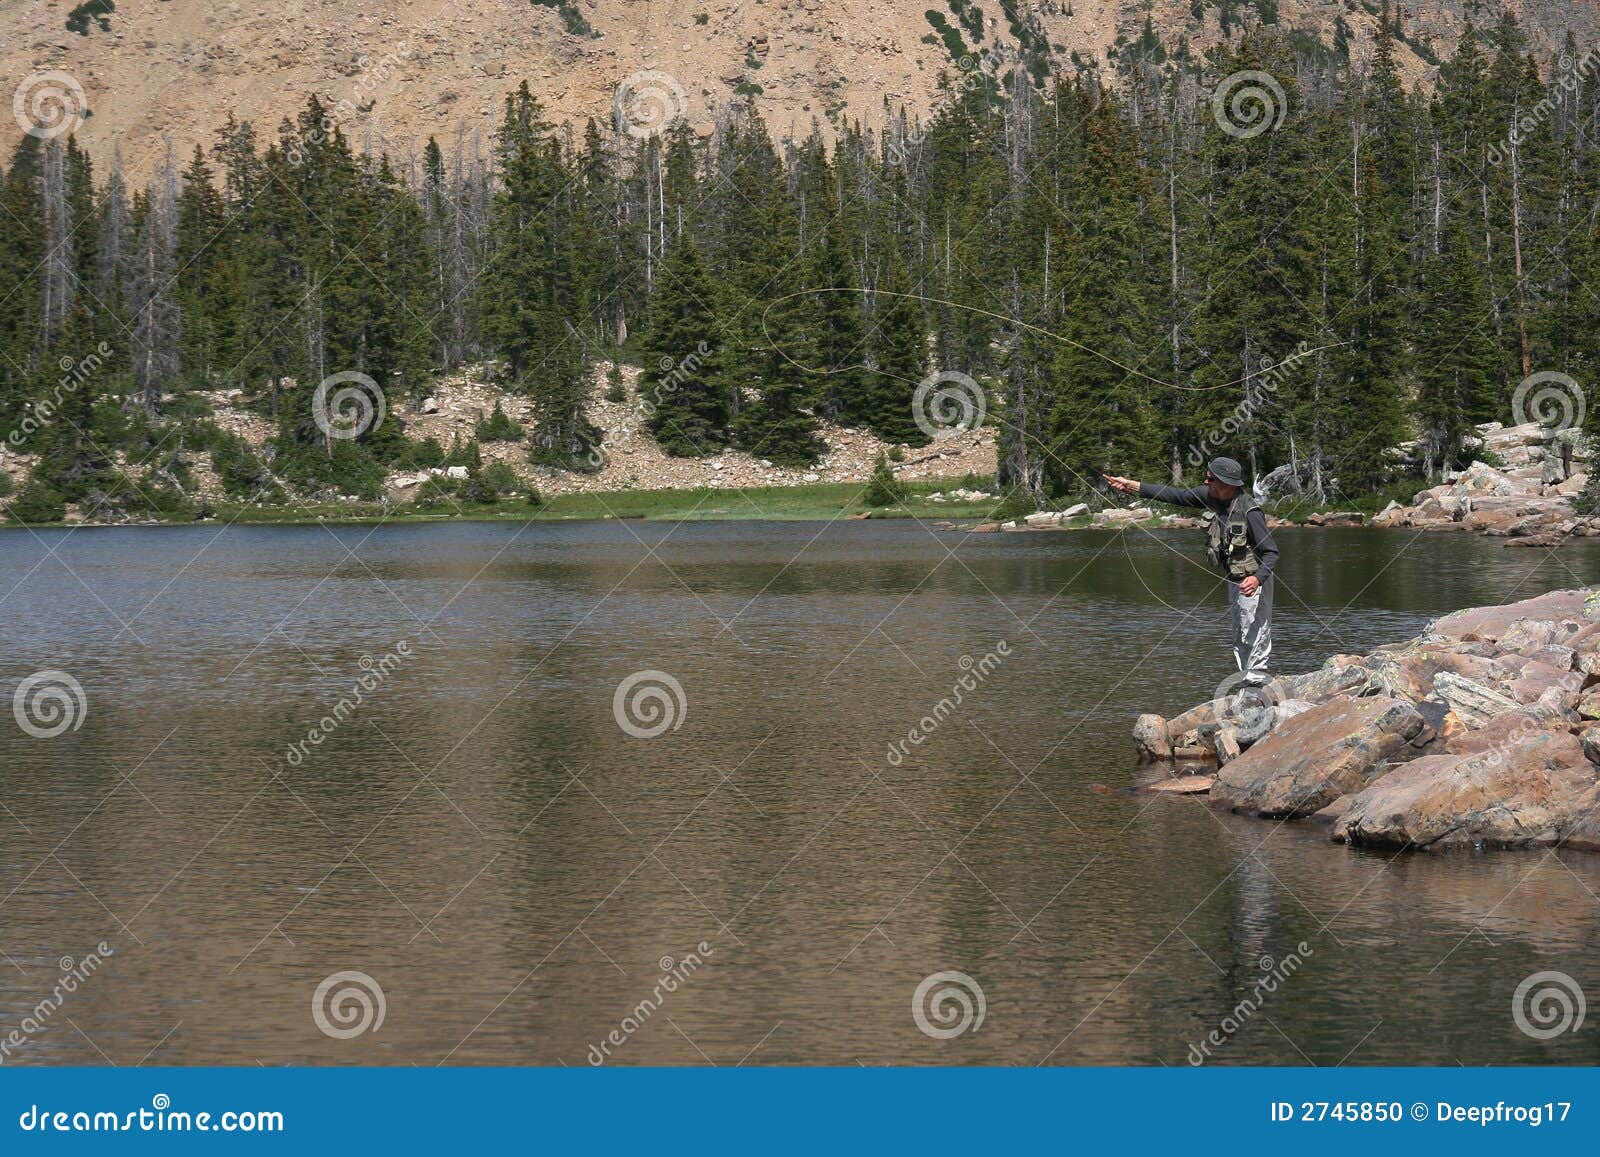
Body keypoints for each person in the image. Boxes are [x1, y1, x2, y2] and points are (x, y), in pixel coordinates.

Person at [1102, 457, 1280, 686]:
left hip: (1256, 580)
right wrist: (1130, 485)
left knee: (1254, 631)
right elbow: (1172, 494)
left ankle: (1257, 685)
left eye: (1211, 478)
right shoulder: (1211, 497)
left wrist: (1257, 579)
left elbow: (1271, 552)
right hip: (1236, 579)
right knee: (1240, 633)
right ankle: (1250, 682)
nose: (1206, 481)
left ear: (1226, 483)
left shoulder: (1250, 511)